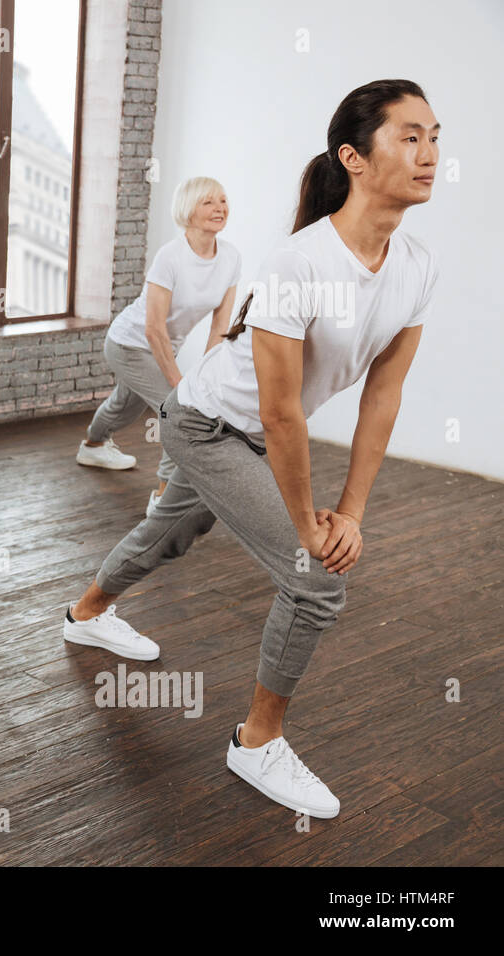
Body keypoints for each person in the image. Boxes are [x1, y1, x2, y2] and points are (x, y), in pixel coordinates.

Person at [62, 80, 439, 819]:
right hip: (203, 422)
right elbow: (280, 412)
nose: (429, 154)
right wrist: (310, 527)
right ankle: (256, 743)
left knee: (171, 532)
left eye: (435, 137)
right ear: (353, 158)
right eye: (409, 137)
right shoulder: (299, 264)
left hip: (250, 434)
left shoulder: (417, 267)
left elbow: (383, 397)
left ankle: (85, 613)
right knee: (315, 580)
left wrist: (353, 511)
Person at [77, 177, 240, 517]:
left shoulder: (231, 258)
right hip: (128, 343)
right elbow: (153, 328)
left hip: (164, 347)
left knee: (125, 405)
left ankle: (92, 445)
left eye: (223, 200)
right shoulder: (171, 256)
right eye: (208, 202)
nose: (219, 208)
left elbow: (220, 326)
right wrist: (182, 387)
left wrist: (205, 378)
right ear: (188, 210)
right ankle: (164, 495)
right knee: (176, 411)